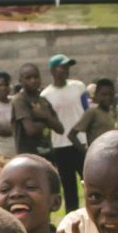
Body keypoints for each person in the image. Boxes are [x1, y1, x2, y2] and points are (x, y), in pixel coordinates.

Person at [40, 54, 90, 209]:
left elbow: (86, 111)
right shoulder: (46, 95)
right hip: (60, 145)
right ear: (53, 70)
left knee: (89, 181)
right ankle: (72, 217)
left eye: (68, 67)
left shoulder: (78, 86)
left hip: (80, 141)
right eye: (63, 67)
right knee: (69, 188)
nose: (66, 70)